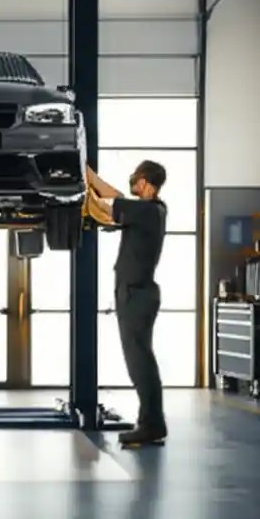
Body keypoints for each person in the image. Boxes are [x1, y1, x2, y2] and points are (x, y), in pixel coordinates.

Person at [86, 161, 168, 446]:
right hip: (136, 292)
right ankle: (151, 423)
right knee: (141, 359)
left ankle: (151, 425)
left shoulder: (147, 211)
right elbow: (117, 197)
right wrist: (90, 177)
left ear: (145, 182)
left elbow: (105, 209)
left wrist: (84, 191)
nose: (133, 182)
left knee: (139, 363)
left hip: (136, 294)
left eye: (137, 178)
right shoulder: (151, 210)